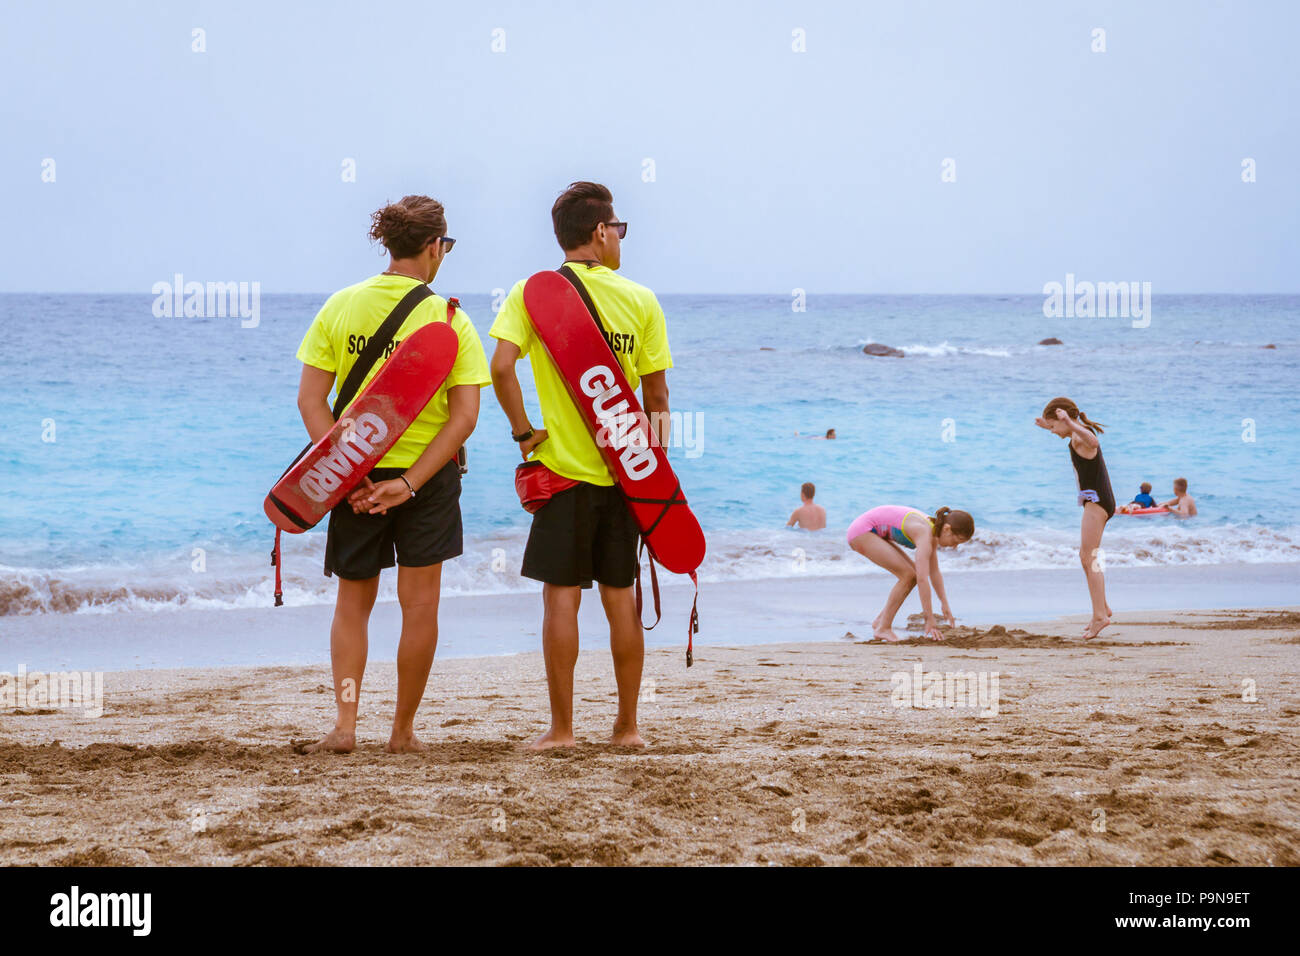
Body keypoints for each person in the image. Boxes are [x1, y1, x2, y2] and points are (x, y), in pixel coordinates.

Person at [294, 195, 490, 753]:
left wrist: (346, 471)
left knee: (353, 604)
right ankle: (402, 732)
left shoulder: (341, 306)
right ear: (434, 246)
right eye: (445, 247)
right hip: (425, 481)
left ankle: (345, 727)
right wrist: (409, 484)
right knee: (419, 606)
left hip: (353, 472)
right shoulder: (450, 318)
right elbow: (465, 417)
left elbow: (312, 400)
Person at [489, 181, 672, 751]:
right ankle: (628, 729)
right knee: (621, 597)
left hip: (562, 476)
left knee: (561, 598)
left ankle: (562, 731)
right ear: (600, 231)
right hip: (625, 477)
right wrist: (652, 469)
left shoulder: (531, 293)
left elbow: (500, 368)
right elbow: (658, 400)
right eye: (619, 228)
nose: (620, 238)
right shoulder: (640, 300)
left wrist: (525, 432)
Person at [1034, 397, 1114, 639]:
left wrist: (1069, 422)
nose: (1054, 432)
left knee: (1090, 557)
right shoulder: (1073, 435)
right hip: (1097, 501)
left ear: (1065, 419)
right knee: (1087, 556)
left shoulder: (1081, 436)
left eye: (1054, 427)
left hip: (1097, 503)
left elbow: (1094, 441)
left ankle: (1100, 615)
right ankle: (1103, 607)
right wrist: (1049, 425)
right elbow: (1068, 431)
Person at [846, 505, 973, 642]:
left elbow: (934, 572)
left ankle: (881, 622)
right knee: (908, 575)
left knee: (910, 576)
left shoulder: (933, 532)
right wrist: (929, 619)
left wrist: (944, 604)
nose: (954, 546)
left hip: (873, 533)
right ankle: (883, 628)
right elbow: (922, 578)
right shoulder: (924, 532)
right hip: (862, 532)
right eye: (956, 540)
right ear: (947, 529)